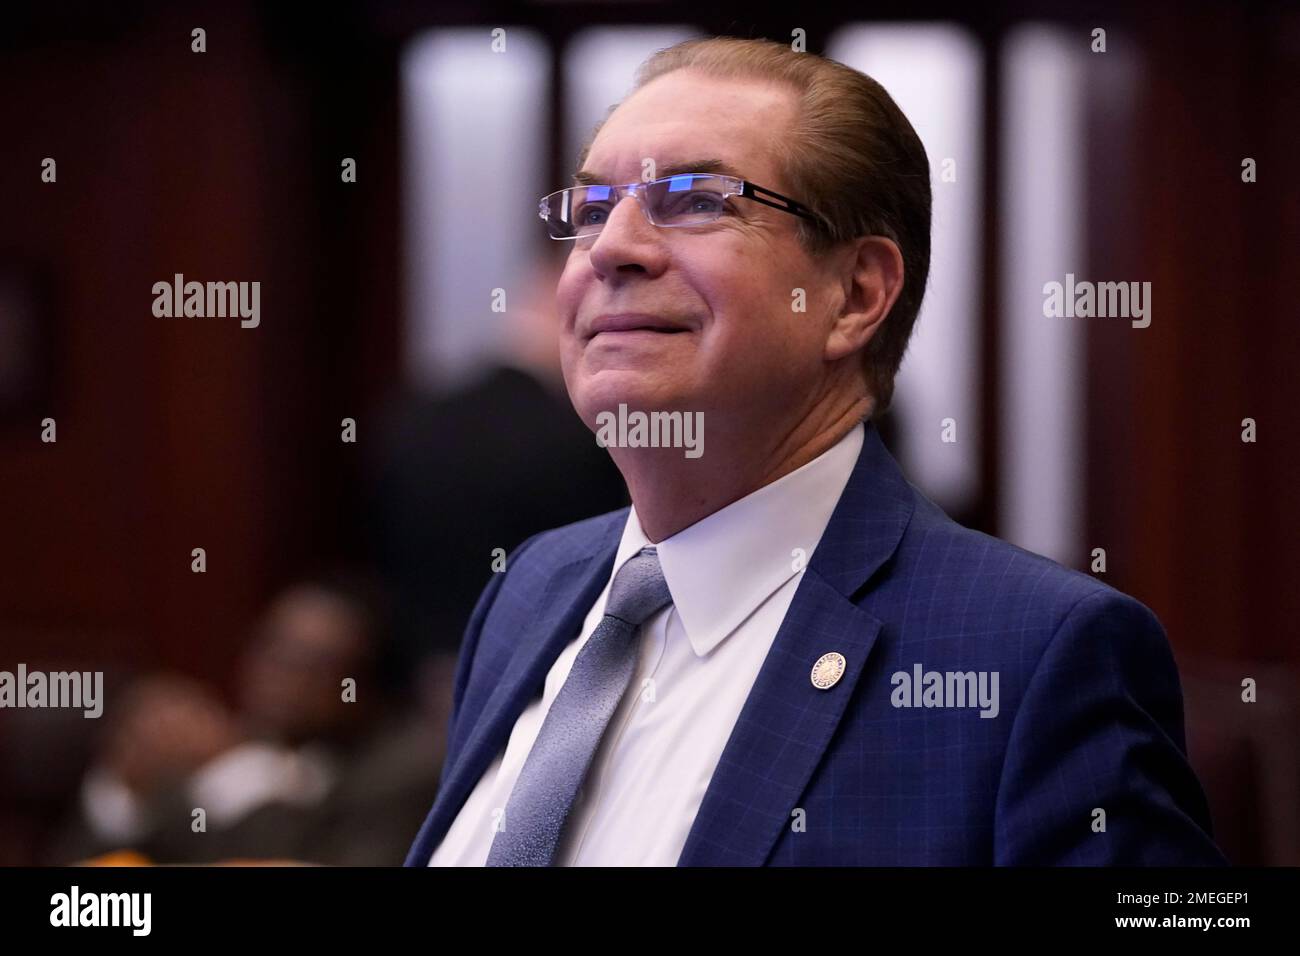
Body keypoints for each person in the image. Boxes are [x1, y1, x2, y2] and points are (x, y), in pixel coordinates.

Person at [406, 36, 1224, 866]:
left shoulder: (1030, 654)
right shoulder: (532, 592)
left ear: (856, 295)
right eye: (590, 210)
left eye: (695, 199)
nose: (611, 248)